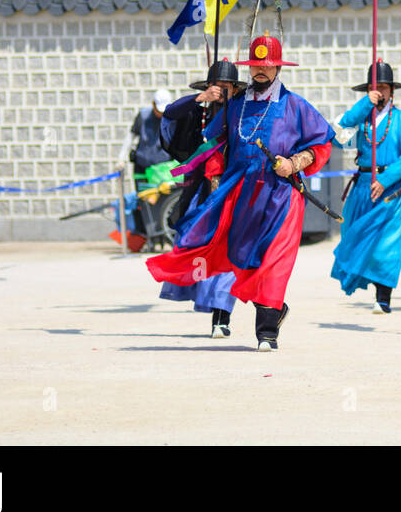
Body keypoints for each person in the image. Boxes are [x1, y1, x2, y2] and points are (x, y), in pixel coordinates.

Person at [146, 35, 335, 351]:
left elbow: (322, 144)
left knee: (274, 261)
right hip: (241, 195)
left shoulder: (296, 106)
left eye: (267, 65)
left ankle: (267, 333)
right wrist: (204, 98)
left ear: (277, 67)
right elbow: (210, 142)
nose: (260, 71)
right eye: (255, 65)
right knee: (243, 260)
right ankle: (272, 311)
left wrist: (293, 162)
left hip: (282, 196)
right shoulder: (235, 106)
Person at [330, 60, 401, 314]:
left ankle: (383, 297)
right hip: (363, 186)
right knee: (356, 237)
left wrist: (385, 180)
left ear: (392, 91)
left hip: (393, 190)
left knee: (387, 243)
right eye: (375, 88)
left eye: (384, 88)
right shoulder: (361, 120)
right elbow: (337, 134)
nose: (380, 93)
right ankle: (367, 283)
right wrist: (364, 105)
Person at [156, 59, 244, 337]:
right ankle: (212, 309)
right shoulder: (198, 113)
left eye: (227, 86)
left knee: (230, 255)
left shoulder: (243, 113)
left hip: (234, 193)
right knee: (200, 252)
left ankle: (222, 317)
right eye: (217, 85)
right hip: (202, 195)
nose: (222, 90)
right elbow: (170, 114)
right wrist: (200, 98)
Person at [128, 88, 174, 239]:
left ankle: (163, 235)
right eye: (158, 110)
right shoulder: (143, 116)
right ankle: (149, 236)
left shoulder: (173, 117)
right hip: (143, 167)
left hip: (163, 169)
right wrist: (121, 158)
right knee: (145, 203)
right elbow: (131, 137)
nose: (160, 114)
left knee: (163, 202)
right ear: (153, 104)